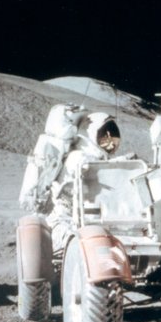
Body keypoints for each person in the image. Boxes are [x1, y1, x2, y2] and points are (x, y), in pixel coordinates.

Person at [19, 105, 121, 252]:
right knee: (80, 246)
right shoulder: (78, 158)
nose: (110, 141)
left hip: (95, 218)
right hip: (67, 220)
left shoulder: (98, 158)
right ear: (91, 133)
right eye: (104, 135)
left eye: (113, 136)